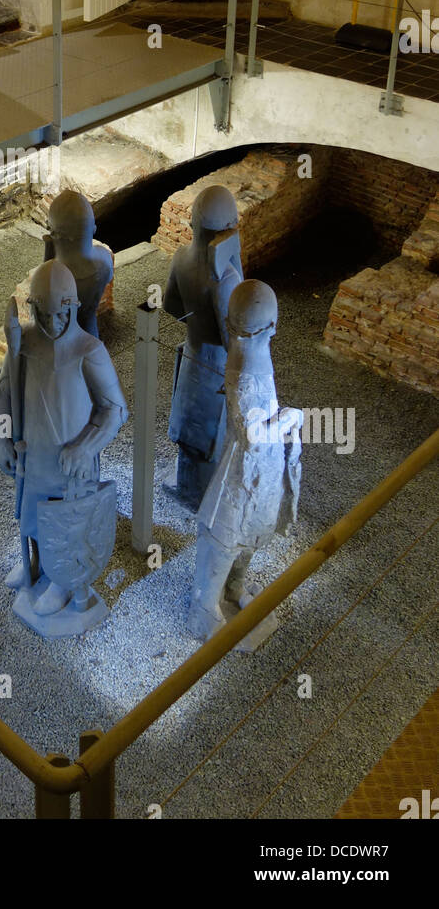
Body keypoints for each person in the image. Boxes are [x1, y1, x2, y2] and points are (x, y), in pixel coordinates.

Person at [0, 261, 127, 635]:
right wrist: (2, 437)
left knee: (67, 526)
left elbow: (115, 410)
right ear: (33, 309)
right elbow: (3, 396)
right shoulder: (23, 345)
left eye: (60, 314)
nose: (52, 323)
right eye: (44, 315)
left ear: (72, 308)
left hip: (73, 466)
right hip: (33, 456)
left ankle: (63, 579)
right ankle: (36, 564)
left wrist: (86, 446)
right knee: (34, 517)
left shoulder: (89, 350)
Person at [187, 279, 302, 645]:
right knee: (225, 535)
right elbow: (250, 436)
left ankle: (234, 590)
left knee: (253, 529)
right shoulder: (243, 365)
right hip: (243, 468)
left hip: (262, 466)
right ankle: (204, 607)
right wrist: (288, 419)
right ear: (272, 327)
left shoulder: (250, 352)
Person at [163, 184, 243, 510]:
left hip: (192, 352)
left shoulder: (181, 258)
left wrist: (196, 322)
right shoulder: (225, 278)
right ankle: (202, 496)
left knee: (190, 431)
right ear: (228, 229)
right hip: (216, 366)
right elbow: (233, 339)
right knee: (210, 436)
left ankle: (190, 487)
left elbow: (170, 305)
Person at [43, 189, 113, 338]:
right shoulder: (104, 258)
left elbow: (44, 308)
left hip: (64, 341)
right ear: (92, 229)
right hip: (90, 333)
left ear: (56, 233)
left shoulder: (55, 279)